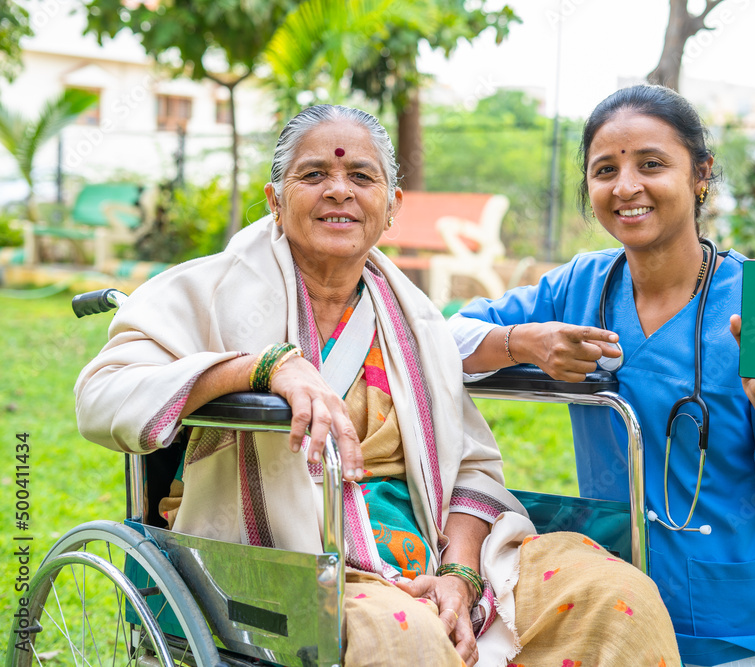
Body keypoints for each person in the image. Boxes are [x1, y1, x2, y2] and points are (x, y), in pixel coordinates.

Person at [75, 104, 680, 667]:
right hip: (289, 557)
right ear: (275, 199)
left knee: (614, 595)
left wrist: (460, 574)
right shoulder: (202, 290)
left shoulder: (416, 323)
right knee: (406, 633)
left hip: (434, 550)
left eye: (360, 177)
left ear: (391, 206)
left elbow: (470, 471)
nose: (339, 190)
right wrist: (264, 369)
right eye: (313, 174)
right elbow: (102, 394)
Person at [450, 85, 755, 667]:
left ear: (700, 174)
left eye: (652, 164)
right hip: (623, 610)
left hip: (754, 628)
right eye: (605, 170)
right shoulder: (577, 289)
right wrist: (521, 341)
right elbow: (436, 339)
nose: (626, 187)